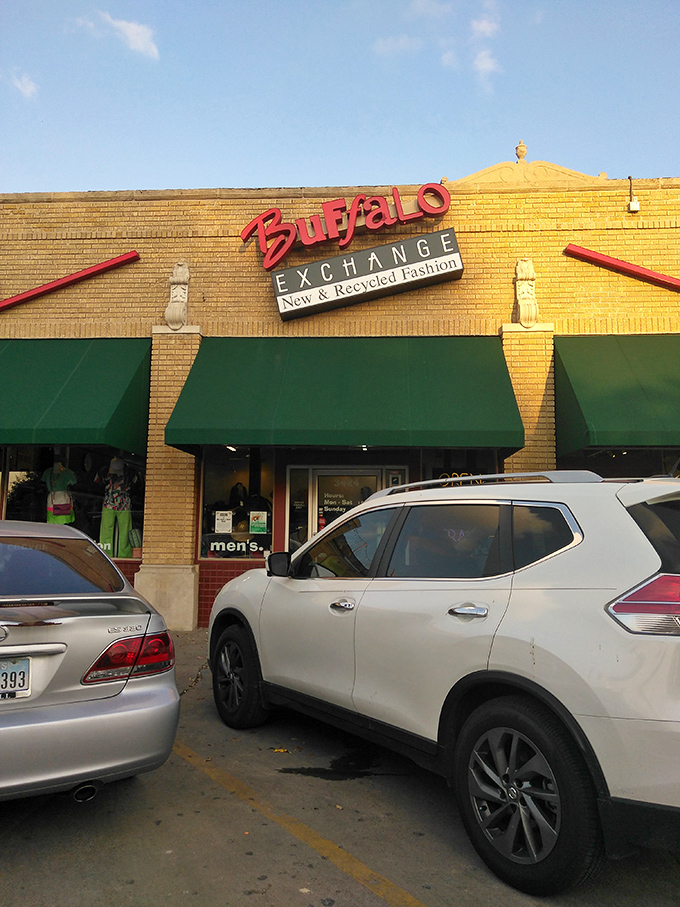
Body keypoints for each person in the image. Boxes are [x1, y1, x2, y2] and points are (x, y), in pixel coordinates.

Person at [96, 457, 136, 558]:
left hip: (112, 503)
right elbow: (137, 485)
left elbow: (97, 482)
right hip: (121, 503)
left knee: (109, 530)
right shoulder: (130, 474)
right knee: (123, 530)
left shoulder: (105, 472)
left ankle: (108, 553)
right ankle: (122, 555)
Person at [42, 460, 77, 524]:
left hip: (52, 498)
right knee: (65, 520)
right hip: (64, 497)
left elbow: (43, 480)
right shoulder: (68, 472)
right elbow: (73, 482)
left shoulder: (47, 472)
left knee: (52, 521)